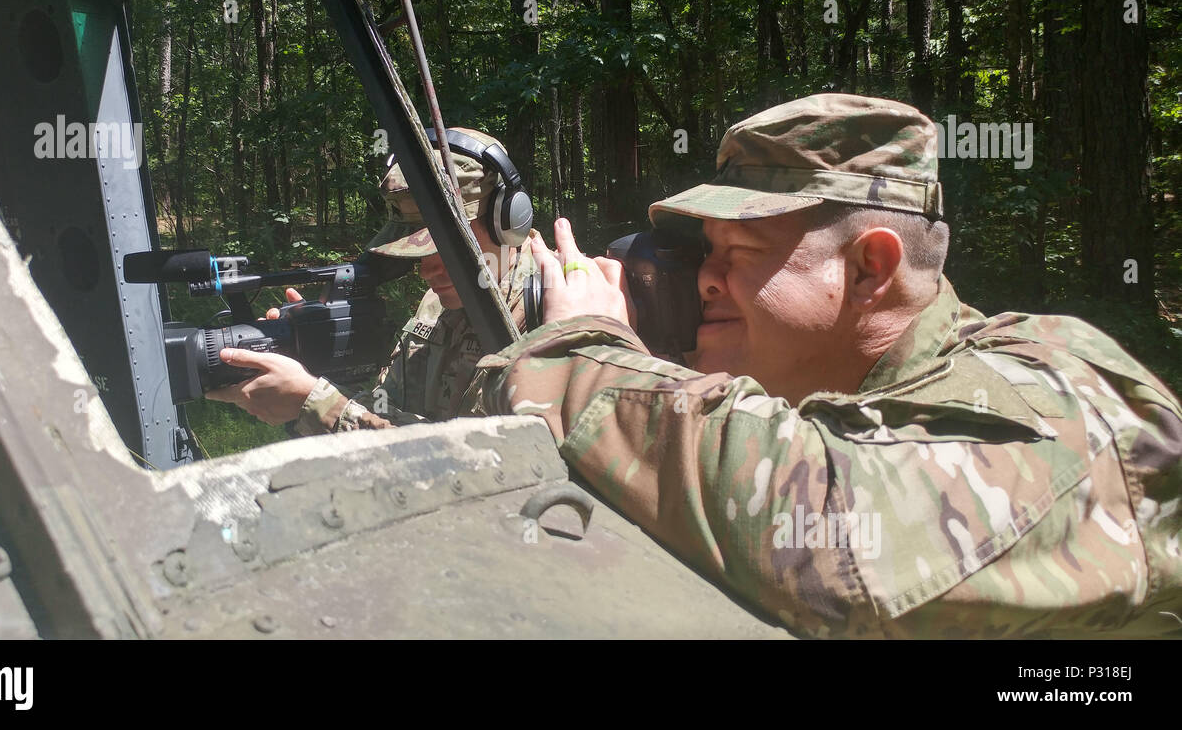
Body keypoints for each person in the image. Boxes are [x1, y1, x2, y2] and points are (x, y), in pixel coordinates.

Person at [469, 93, 1182, 638]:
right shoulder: (839, 392)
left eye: (737, 253)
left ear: (871, 268)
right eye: (704, 254)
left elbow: (833, 538)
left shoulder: (1062, 397)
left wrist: (582, 351)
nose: (704, 281)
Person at [207, 127, 538, 434]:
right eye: (417, 249)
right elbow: (389, 408)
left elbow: (490, 466)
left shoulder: (555, 313)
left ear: (505, 219)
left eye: (444, 247)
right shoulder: (437, 302)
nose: (426, 270)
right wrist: (315, 369)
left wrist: (316, 403)